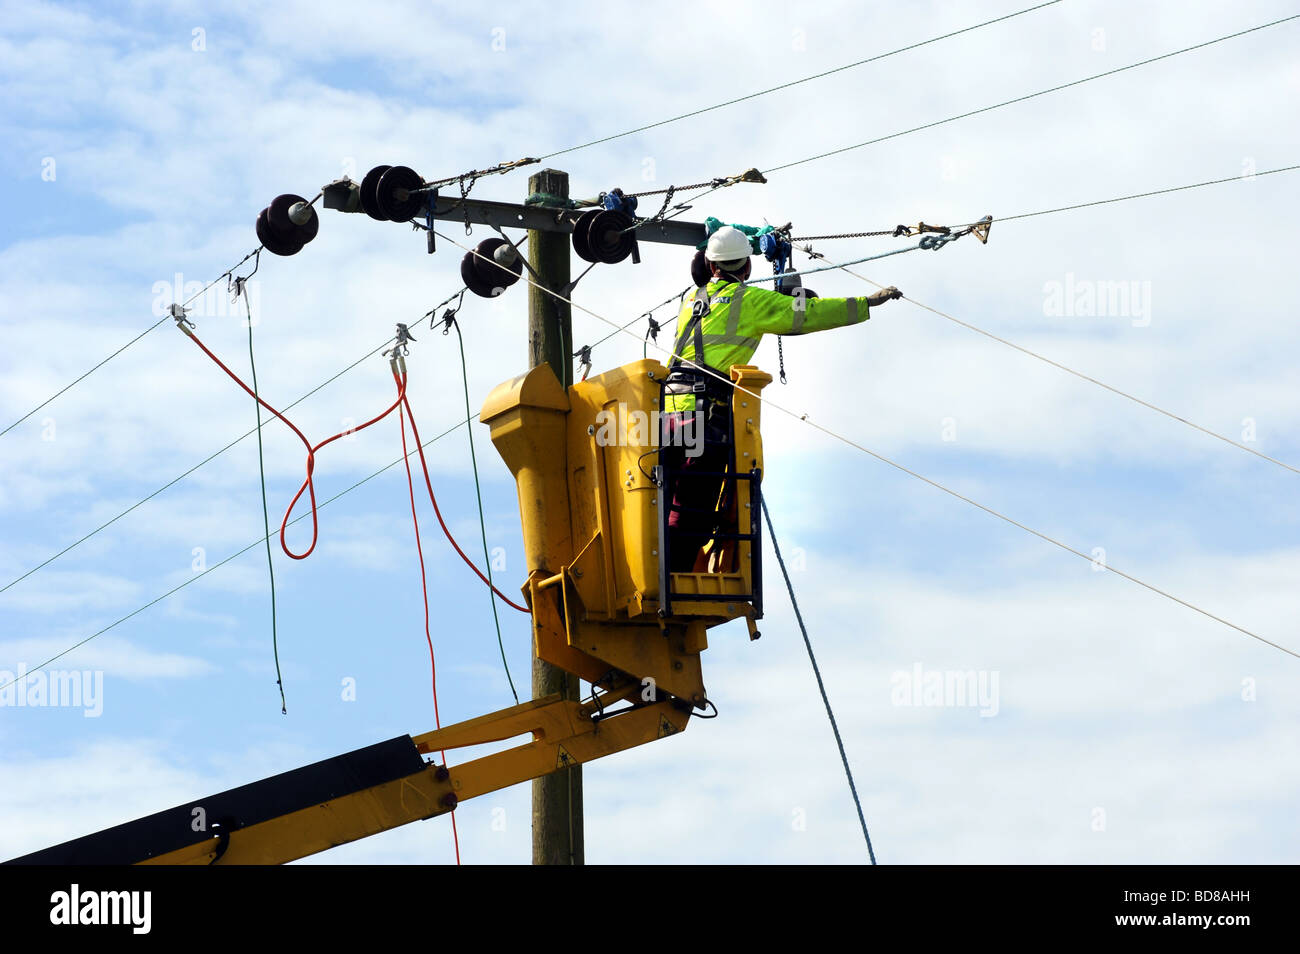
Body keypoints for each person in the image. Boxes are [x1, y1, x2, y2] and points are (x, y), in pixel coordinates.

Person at [659, 225, 903, 572]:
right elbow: (808, 313)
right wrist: (866, 303)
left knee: (669, 497)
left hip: (669, 411)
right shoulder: (750, 301)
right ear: (746, 268)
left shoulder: (690, 299)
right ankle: (675, 573)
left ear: (711, 267)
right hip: (705, 416)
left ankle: (657, 569)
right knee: (693, 509)